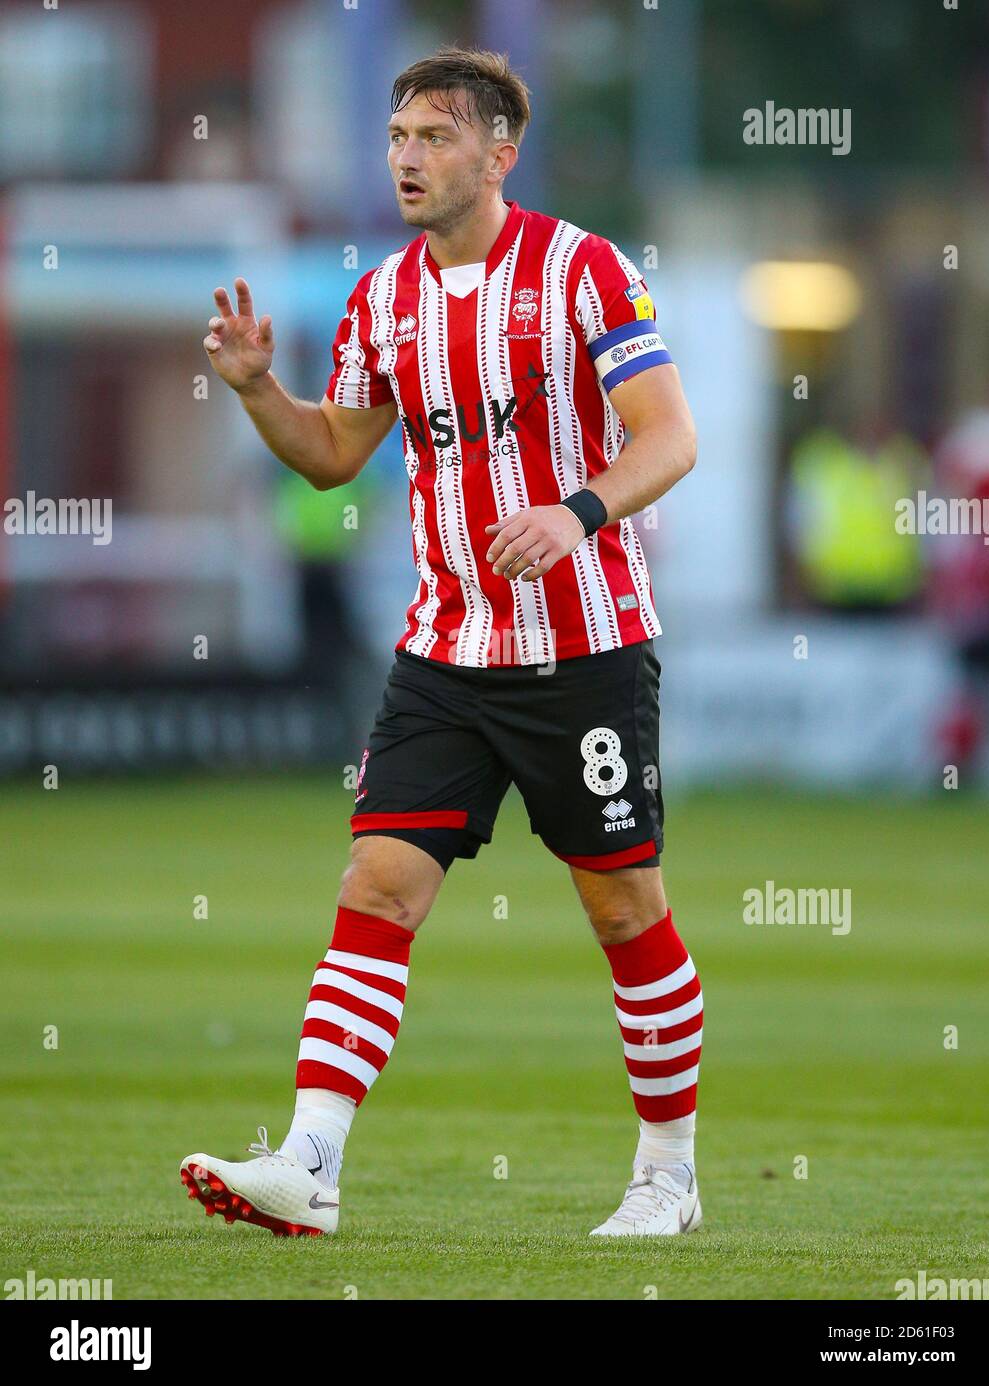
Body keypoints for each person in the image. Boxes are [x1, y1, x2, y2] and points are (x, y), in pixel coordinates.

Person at [181, 46, 700, 1239]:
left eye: (433, 136)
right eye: (397, 137)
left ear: (498, 152)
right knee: (378, 884)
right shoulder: (381, 298)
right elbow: (332, 452)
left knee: (623, 908)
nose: (407, 157)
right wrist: (262, 392)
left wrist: (574, 514)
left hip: (586, 651)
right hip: (445, 656)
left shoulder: (584, 271)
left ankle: (667, 1174)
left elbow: (670, 437)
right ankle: (310, 1162)